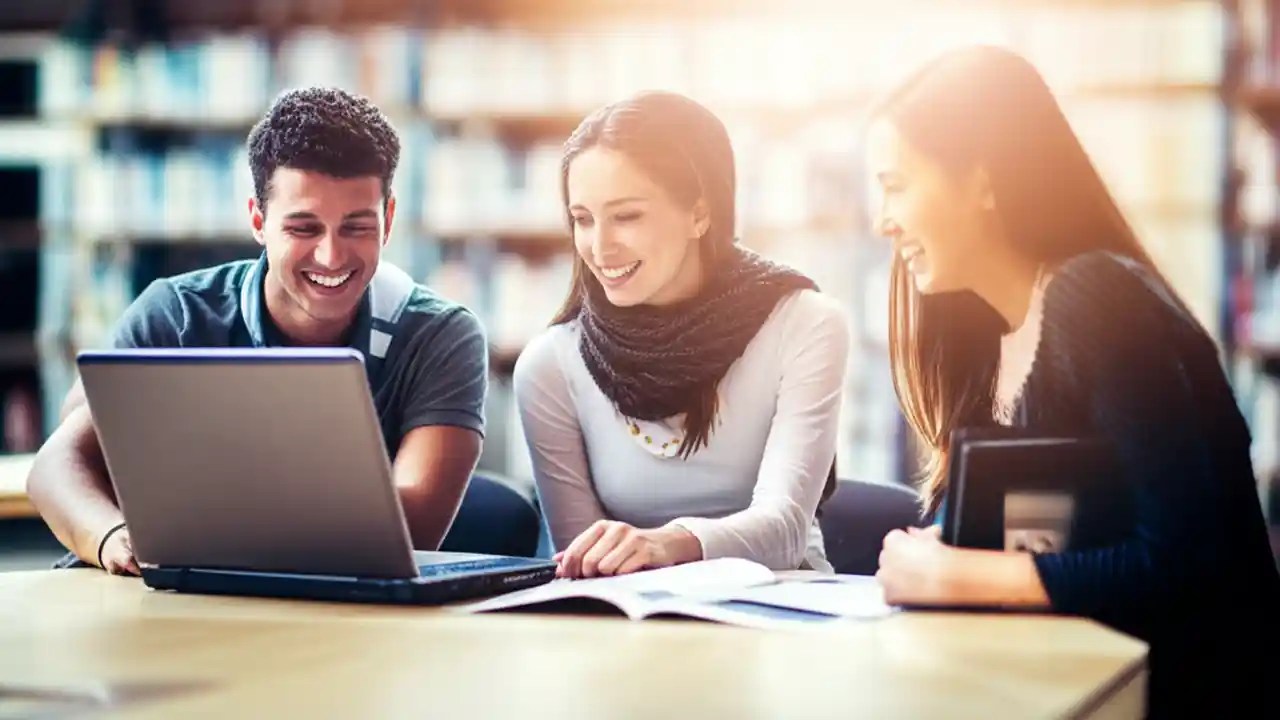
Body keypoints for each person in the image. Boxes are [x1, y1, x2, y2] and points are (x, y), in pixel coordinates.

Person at [865, 45, 1280, 716]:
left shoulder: (1095, 299)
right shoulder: (987, 341)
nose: (884, 220)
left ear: (982, 180)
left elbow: (1186, 559)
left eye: (897, 184)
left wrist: (964, 573)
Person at [27, 87, 498, 575]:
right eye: (303, 229)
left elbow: (409, 529)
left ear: (389, 219)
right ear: (258, 219)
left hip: (329, 614)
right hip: (159, 588)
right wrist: (112, 540)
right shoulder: (180, 315)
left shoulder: (441, 336)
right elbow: (56, 467)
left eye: (357, 227)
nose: (331, 257)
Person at [514, 91, 850, 579]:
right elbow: (581, 567)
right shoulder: (550, 366)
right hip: (629, 621)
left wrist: (667, 544)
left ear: (699, 213)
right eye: (582, 219)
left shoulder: (806, 324)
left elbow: (785, 531)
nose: (600, 246)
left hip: (784, 612)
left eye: (626, 215)